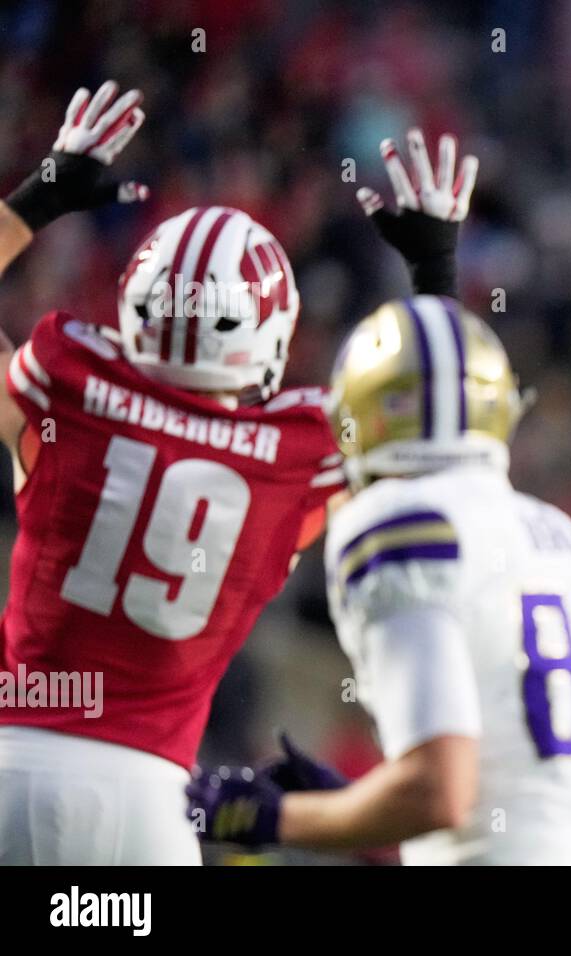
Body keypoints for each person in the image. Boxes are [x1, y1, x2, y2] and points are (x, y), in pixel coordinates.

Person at [186, 131, 571, 865]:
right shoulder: (550, 529)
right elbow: (488, 769)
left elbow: (437, 794)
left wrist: (274, 817)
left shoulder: (395, 526)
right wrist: (434, 273)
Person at [0, 82, 345, 864]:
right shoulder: (301, 452)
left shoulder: (68, 379)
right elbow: (438, 420)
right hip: (143, 807)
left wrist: (39, 196)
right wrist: (436, 266)